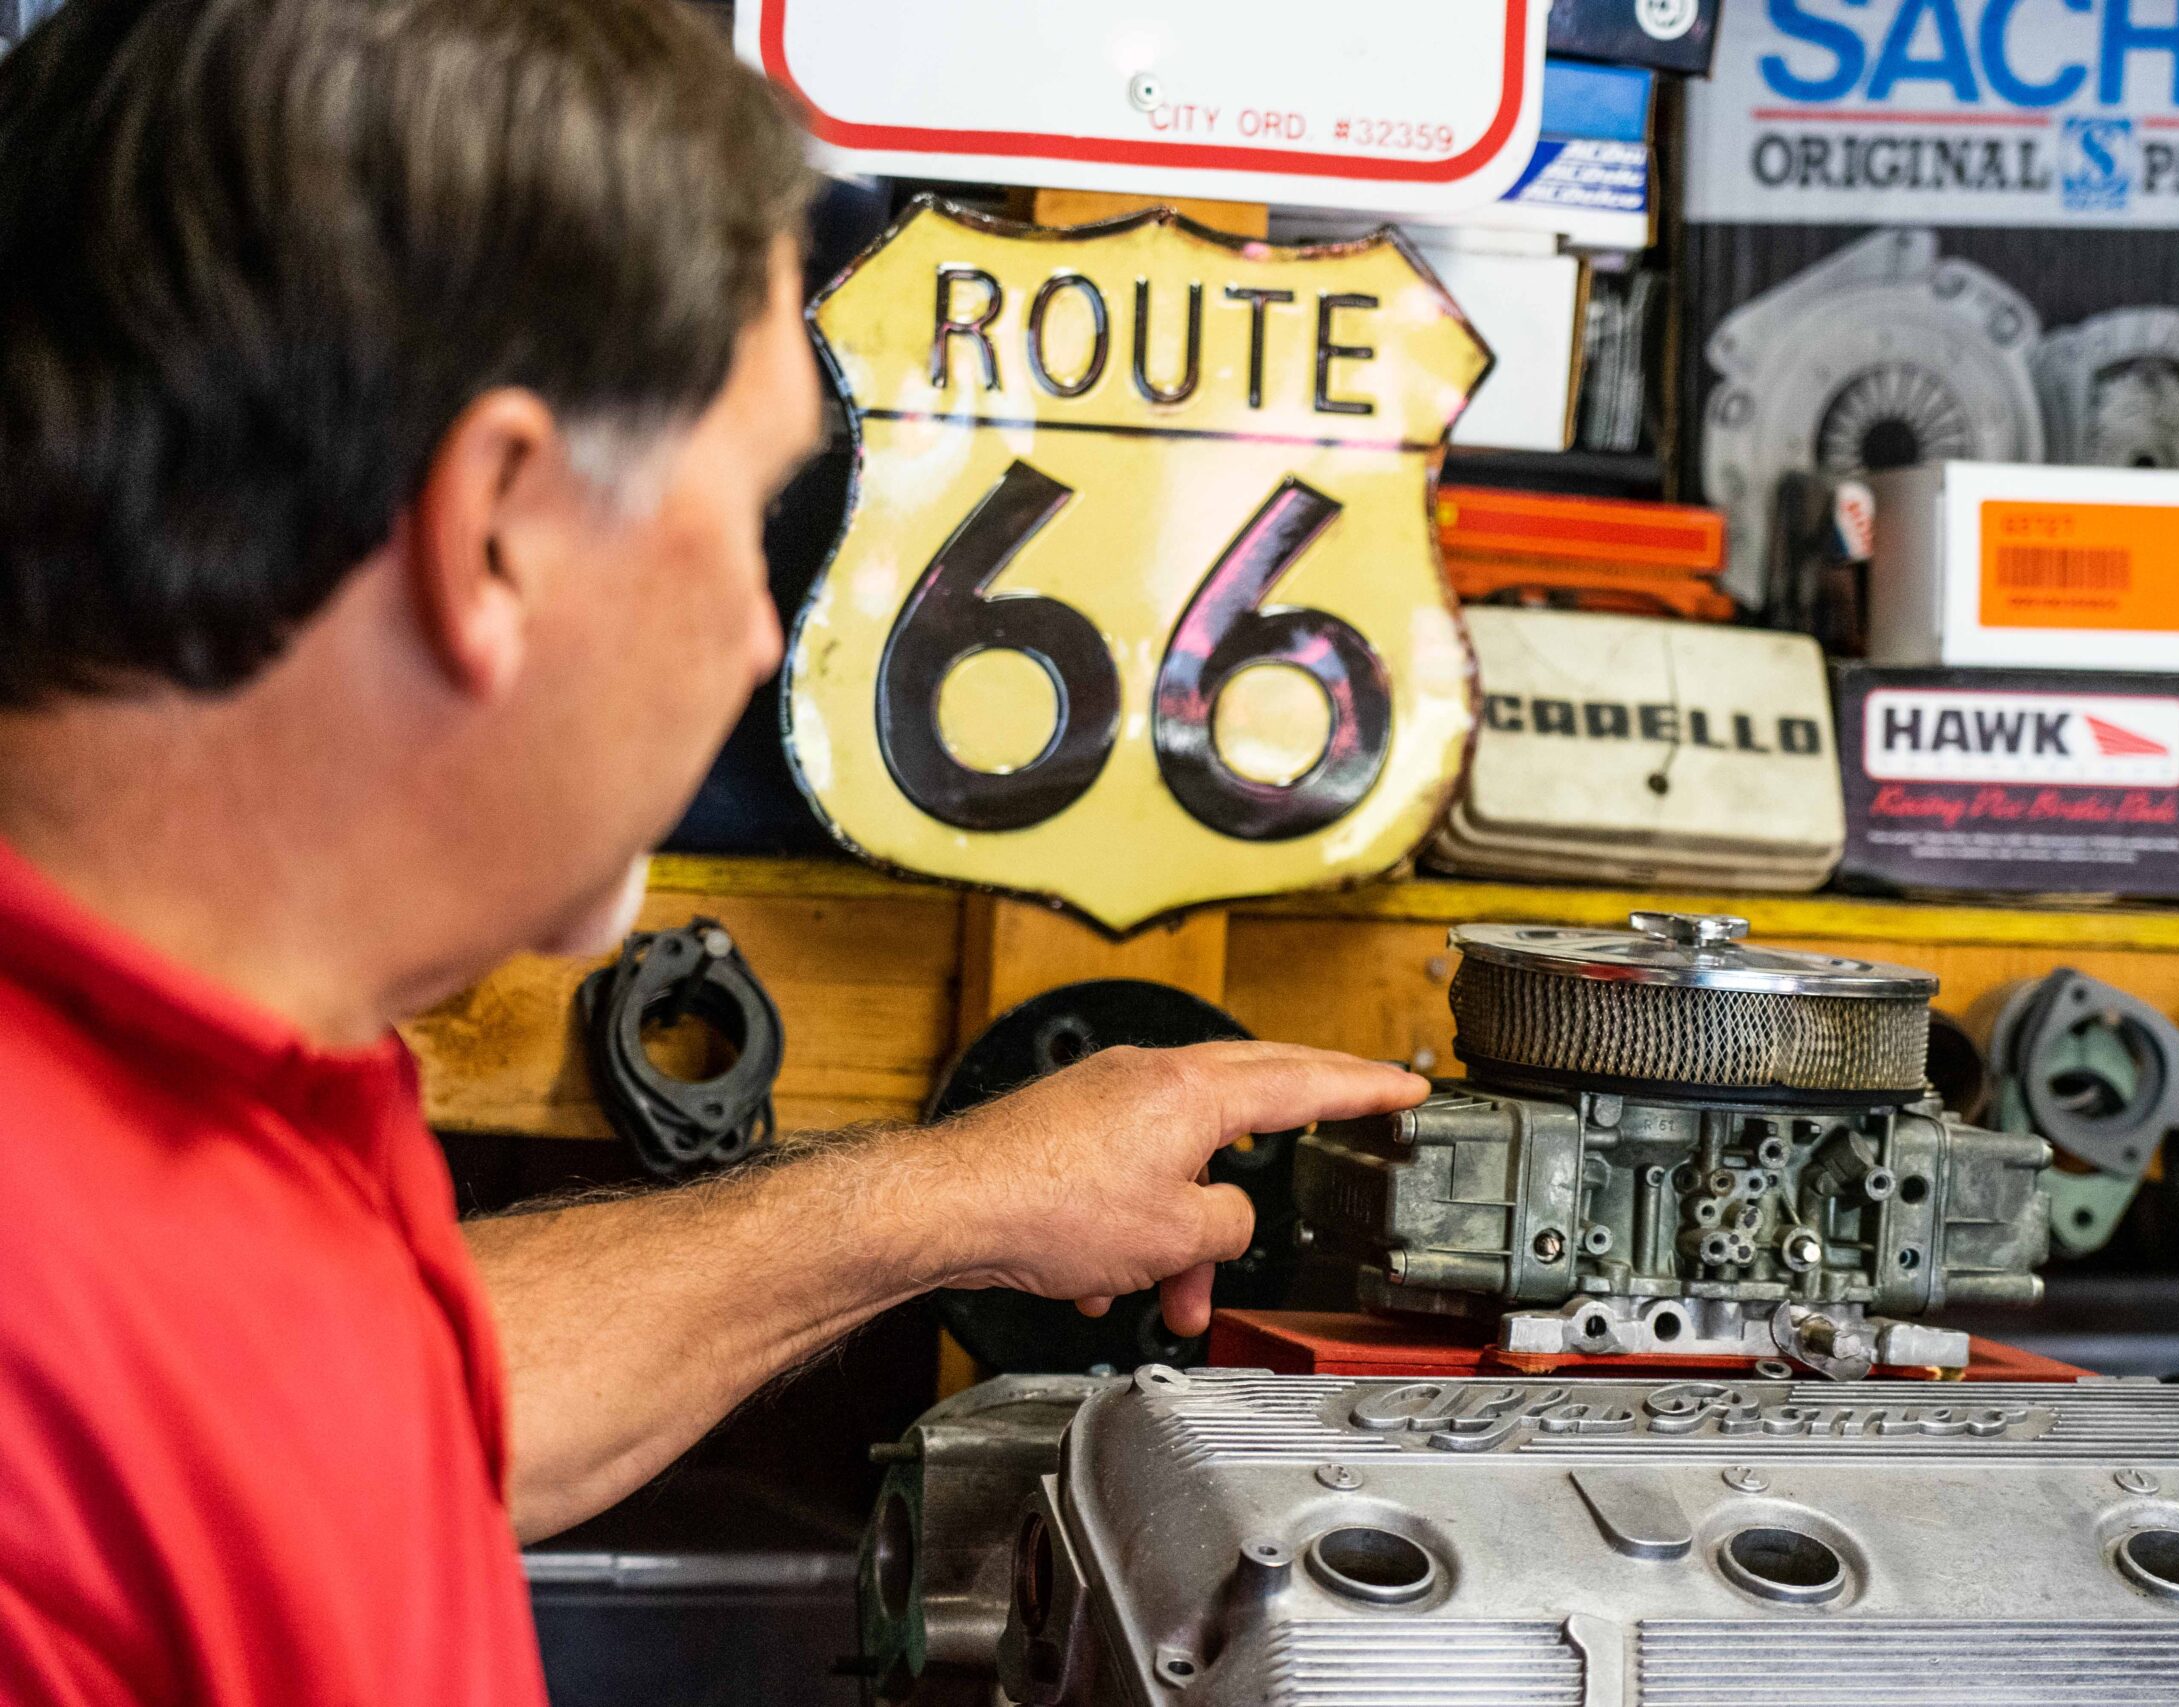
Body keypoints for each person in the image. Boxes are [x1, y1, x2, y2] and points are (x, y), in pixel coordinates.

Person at [0, 0, 1429, 1699]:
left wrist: (964, 1193)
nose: (764, 639)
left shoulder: (207, 1091)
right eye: (752, 519)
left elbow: (373, 1406)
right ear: (499, 532)